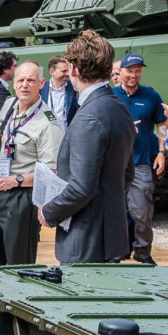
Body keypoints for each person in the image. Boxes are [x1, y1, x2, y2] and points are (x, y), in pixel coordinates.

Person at [0, 60, 66, 331]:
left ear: (41, 85)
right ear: (14, 82)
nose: (25, 85)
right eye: (21, 80)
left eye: (31, 81)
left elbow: (52, 170)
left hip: (20, 197)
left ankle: (14, 329)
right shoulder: (9, 106)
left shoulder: (48, 123)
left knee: (18, 264)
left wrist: (18, 179)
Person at [39, 31, 136, 264]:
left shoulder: (90, 116)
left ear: (74, 69)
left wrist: (48, 212)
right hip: (109, 234)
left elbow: (82, 188)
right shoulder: (117, 106)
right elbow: (128, 174)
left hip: (85, 240)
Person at [110, 53, 167, 263]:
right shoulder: (110, 95)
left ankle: (143, 253)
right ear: (120, 72)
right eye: (130, 71)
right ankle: (115, 252)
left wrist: (162, 152)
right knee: (114, 212)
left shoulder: (151, 96)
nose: (134, 75)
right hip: (114, 164)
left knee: (142, 213)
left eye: (138, 71)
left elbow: (163, 126)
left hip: (141, 163)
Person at [42, 55, 78, 126]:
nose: (68, 74)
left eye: (68, 70)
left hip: (67, 135)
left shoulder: (74, 88)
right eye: (64, 71)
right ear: (52, 72)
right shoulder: (41, 89)